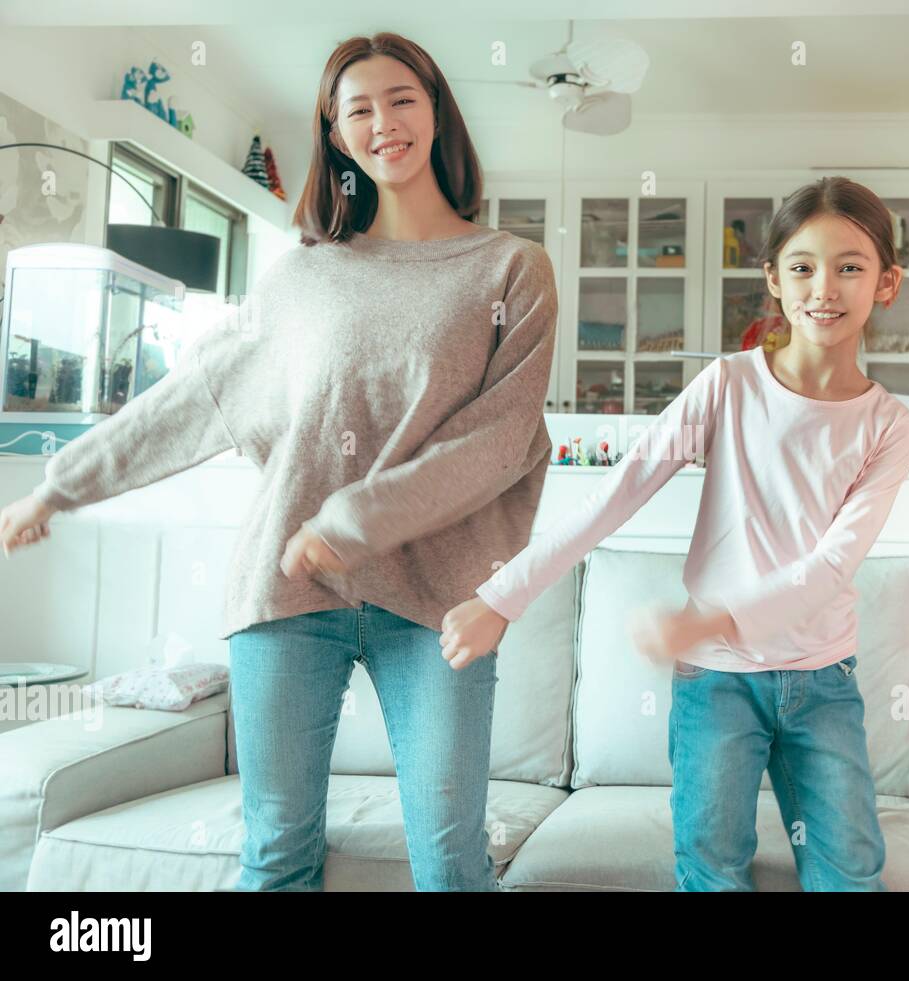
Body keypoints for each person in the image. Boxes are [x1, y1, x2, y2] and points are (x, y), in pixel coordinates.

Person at [0, 32, 558, 892]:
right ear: (336, 135)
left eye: (402, 99)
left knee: (452, 861)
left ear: (438, 110)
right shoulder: (303, 278)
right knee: (277, 856)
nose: (384, 122)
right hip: (289, 586)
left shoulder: (511, 268)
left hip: (441, 600)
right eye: (358, 109)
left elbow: (497, 441)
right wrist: (62, 484)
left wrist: (352, 521)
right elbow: (192, 397)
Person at [441, 176, 909, 891]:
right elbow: (615, 496)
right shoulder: (728, 386)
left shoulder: (889, 425)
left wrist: (708, 619)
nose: (825, 287)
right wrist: (502, 596)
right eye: (803, 266)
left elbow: (832, 566)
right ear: (773, 280)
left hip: (823, 680)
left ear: (887, 282)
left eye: (850, 266)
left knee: (849, 874)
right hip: (717, 682)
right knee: (712, 871)